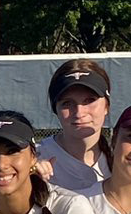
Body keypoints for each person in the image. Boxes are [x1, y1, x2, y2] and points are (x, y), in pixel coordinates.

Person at [37, 58, 113, 192]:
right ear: (56, 109)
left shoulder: (123, 159)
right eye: (67, 103)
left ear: (106, 106)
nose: (79, 113)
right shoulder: (37, 157)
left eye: (89, 100)